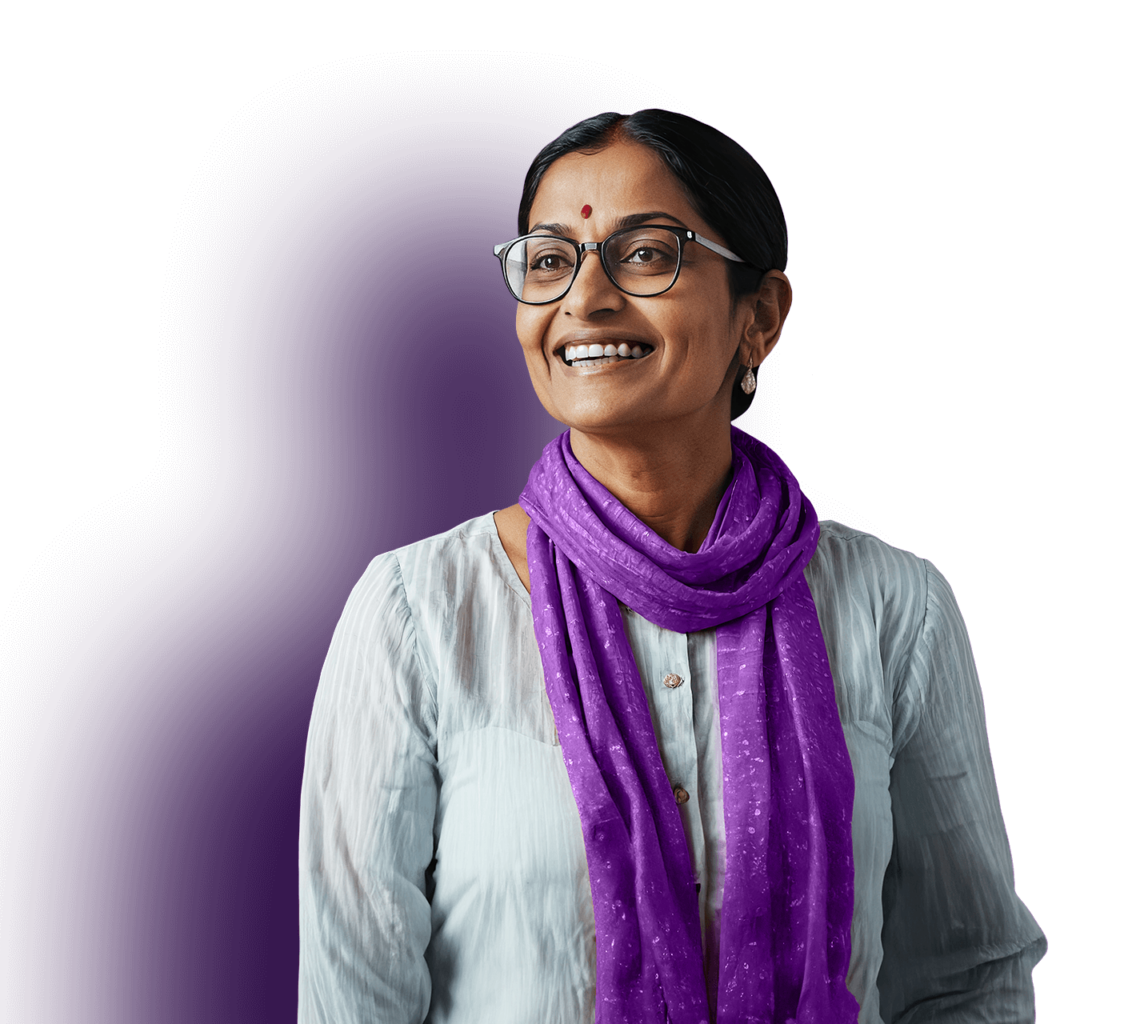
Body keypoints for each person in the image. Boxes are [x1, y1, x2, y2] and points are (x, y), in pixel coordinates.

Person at [298, 109, 1047, 1023]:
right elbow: (353, 995)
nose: (585, 299)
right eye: (549, 259)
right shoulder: (418, 611)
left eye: (646, 253)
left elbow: (969, 977)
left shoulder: (893, 607)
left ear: (760, 316)